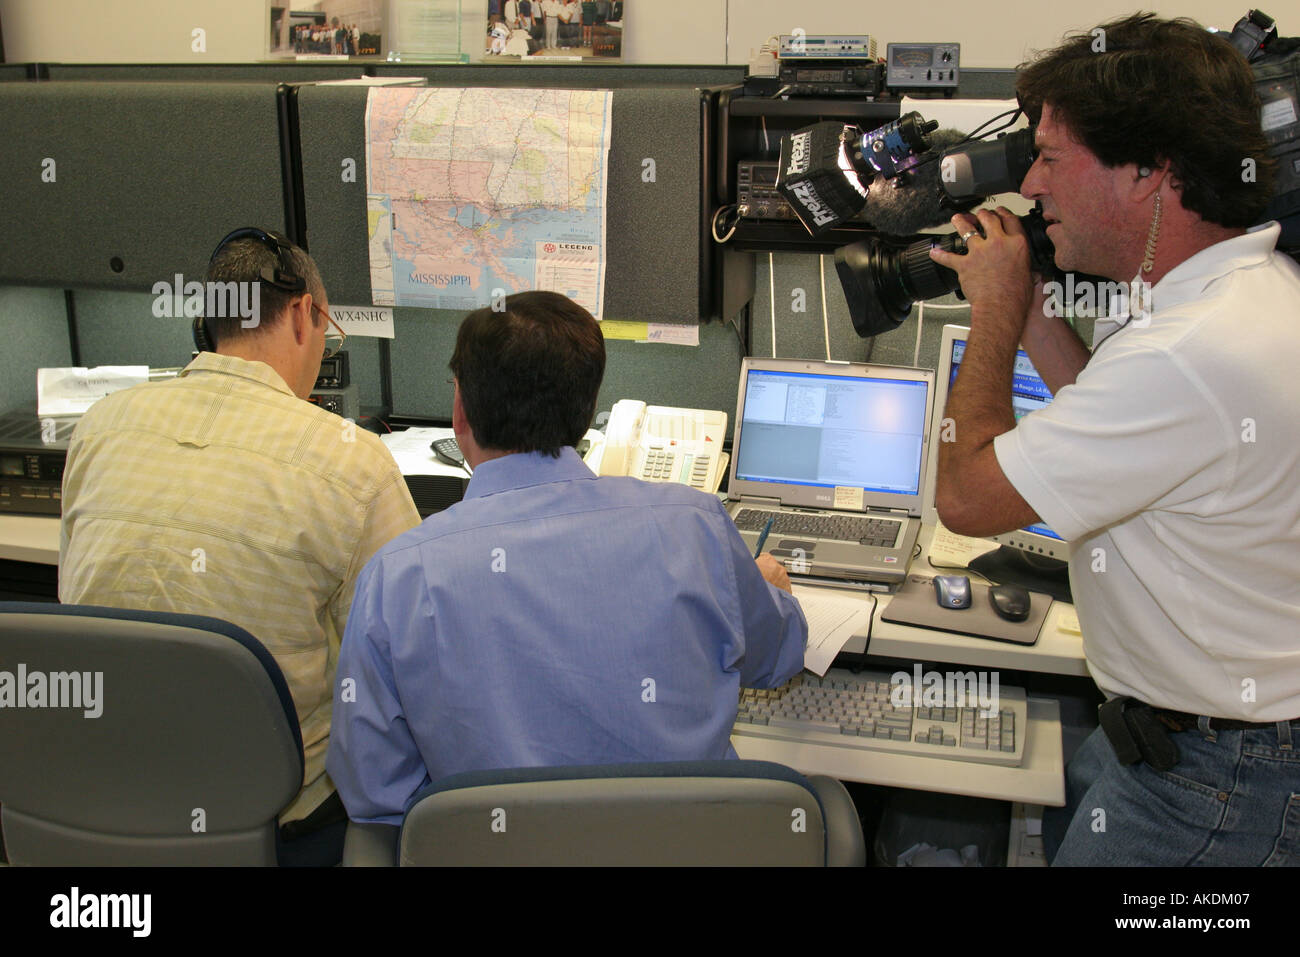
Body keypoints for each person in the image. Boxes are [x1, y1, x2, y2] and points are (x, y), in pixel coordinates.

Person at [930, 13, 1300, 866]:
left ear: (1149, 171)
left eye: (1052, 158)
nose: (1031, 183)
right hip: (1187, 740)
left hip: (1216, 780)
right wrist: (1029, 312)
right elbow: (1117, 418)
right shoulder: (1237, 292)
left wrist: (990, 312)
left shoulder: (1187, 350)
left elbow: (967, 497)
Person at [326, 292, 807, 825]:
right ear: (586, 405)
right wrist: (762, 590)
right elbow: (776, 658)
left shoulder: (396, 579)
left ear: (459, 410)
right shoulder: (694, 527)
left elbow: (374, 794)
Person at [60, 229, 421, 863]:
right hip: (276, 821)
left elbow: (78, 601)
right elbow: (409, 665)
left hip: (108, 802)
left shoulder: (99, 427)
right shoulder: (356, 465)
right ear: (306, 314)